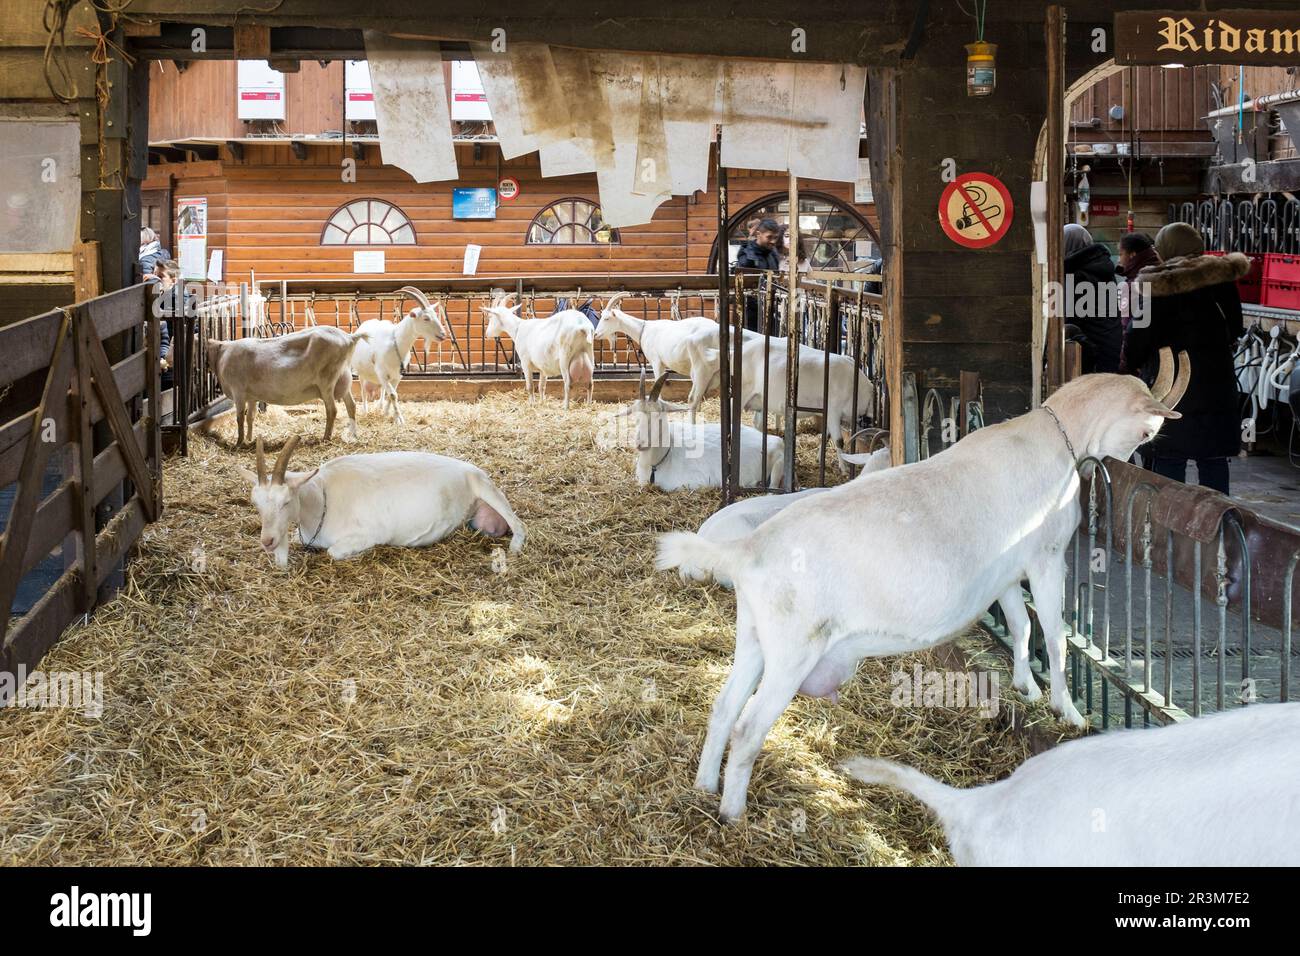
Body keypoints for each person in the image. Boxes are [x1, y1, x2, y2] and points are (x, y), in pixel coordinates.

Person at [1124, 222, 1248, 495]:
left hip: (1173, 385)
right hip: (1217, 384)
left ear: (1167, 248)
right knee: (1213, 458)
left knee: (1169, 457)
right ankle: (1218, 525)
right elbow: (1235, 328)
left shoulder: (1157, 286)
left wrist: (1130, 363)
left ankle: (1169, 527)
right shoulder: (1221, 279)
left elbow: (1138, 338)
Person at [1063, 223, 1123, 373]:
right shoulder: (1101, 266)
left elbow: (1070, 320)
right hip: (1111, 347)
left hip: (1095, 354)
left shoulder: (1078, 275)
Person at [1116, 232, 1160, 373]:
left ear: (1132, 255)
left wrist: (1126, 365)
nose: (1119, 259)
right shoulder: (1158, 274)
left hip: (1140, 365)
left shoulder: (1135, 285)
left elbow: (1130, 329)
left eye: (1121, 253)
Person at [734, 218, 782, 332]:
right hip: (750, 313)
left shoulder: (773, 253)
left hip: (770, 310)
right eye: (769, 237)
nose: (773, 241)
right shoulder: (747, 256)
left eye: (775, 237)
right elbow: (742, 288)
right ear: (758, 234)